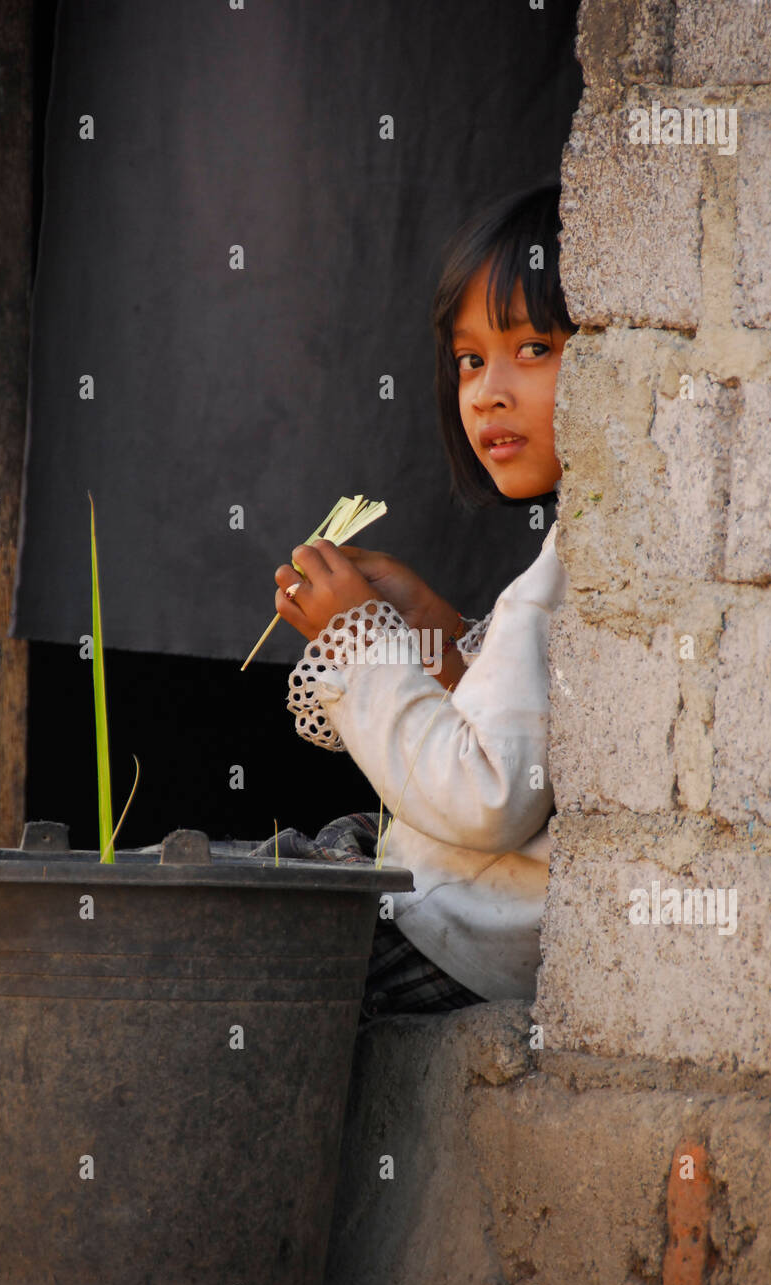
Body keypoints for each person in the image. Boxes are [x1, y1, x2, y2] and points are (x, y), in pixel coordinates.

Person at [272, 185, 577, 1020]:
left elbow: (489, 796)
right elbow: (514, 715)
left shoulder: (569, 579)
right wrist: (427, 625)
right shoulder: (580, 557)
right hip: (458, 906)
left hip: (456, 936)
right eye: (471, 359)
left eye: (534, 347)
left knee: (228, 937)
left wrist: (360, 640)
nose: (486, 392)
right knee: (284, 859)